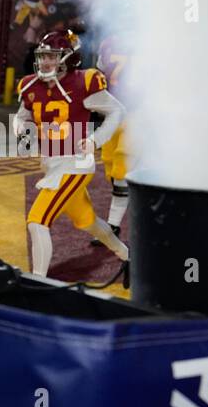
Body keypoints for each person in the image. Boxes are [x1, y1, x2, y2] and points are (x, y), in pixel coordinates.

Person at [14, 30, 128, 276]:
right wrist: (21, 129)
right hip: (53, 163)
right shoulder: (29, 85)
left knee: (37, 221)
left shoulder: (84, 82)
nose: (45, 62)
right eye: (43, 56)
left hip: (75, 163)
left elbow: (117, 111)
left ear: (67, 58)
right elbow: (22, 116)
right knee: (88, 221)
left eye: (52, 56)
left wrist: (96, 139)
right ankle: (125, 254)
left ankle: (38, 281)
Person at [94, 34, 131, 241]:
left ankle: (113, 225)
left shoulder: (149, 40)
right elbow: (99, 76)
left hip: (137, 114)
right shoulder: (107, 42)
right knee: (111, 166)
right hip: (113, 114)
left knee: (122, 169)